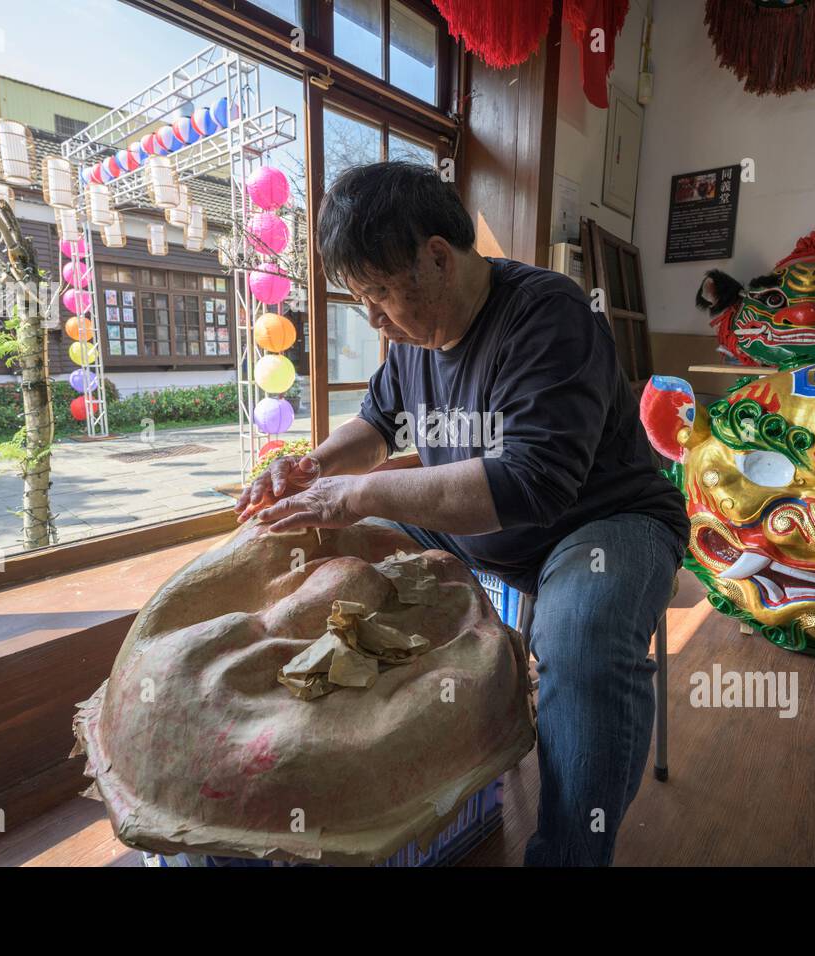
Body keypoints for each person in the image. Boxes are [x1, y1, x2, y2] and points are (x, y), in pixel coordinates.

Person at [236, 161, 689, 866]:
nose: (375, 320)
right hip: (490, 533)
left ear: (437, 258)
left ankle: (569, 857)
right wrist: (314, 469)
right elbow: (377, 424)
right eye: (361, 301)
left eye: (379, 294)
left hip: (604, 526)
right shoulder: (414, 342)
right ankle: (364, 758)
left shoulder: (550, 314)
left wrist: (358, 492)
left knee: (583, 640)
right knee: (322, 529)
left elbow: (530, 485)